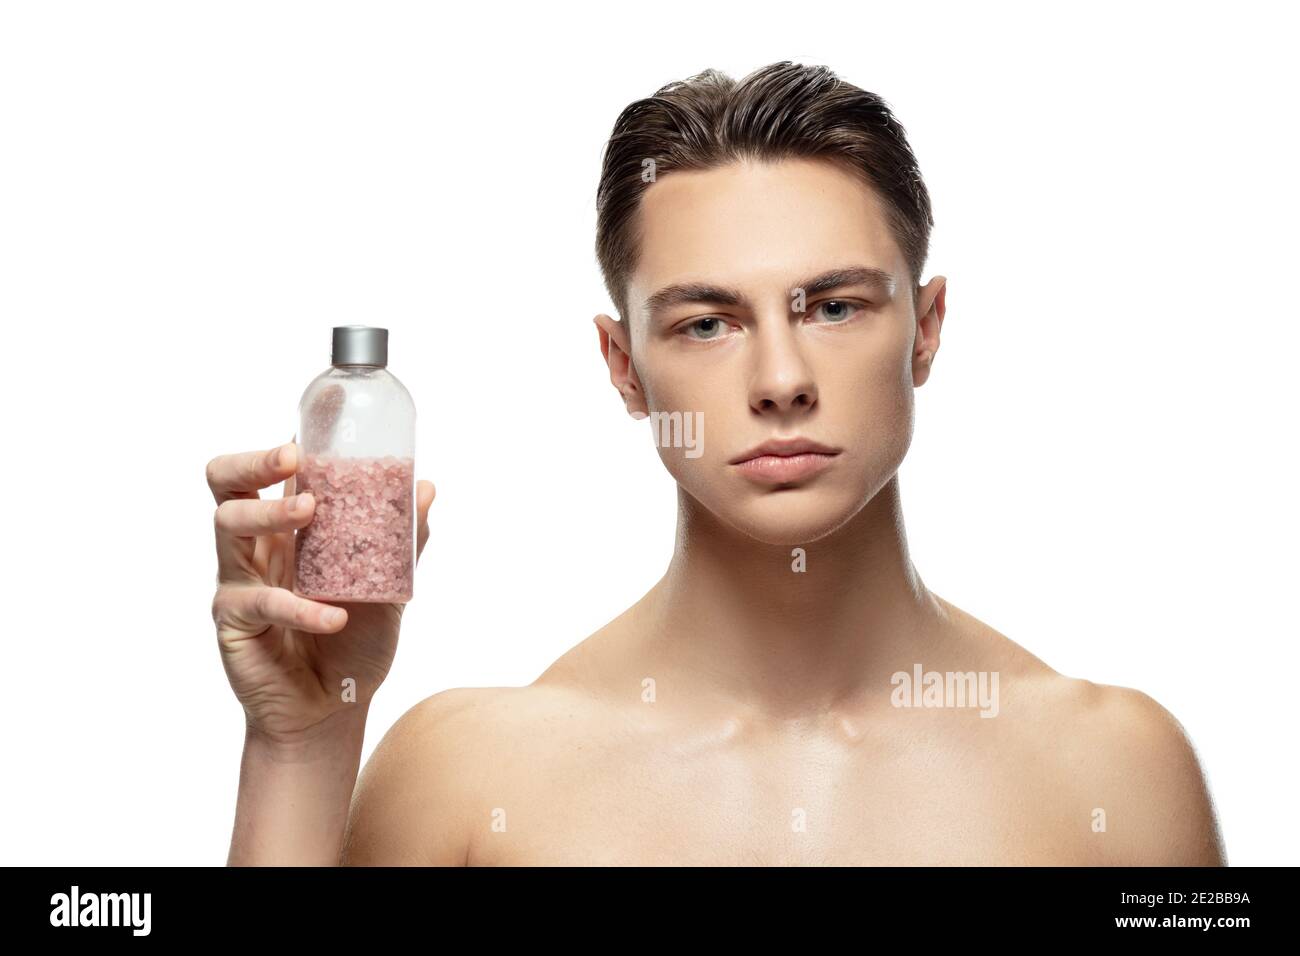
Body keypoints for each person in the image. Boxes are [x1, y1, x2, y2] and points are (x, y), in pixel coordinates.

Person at [208, 61, 1226, 866]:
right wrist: (301, 745)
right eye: (707, 322)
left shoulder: (1116, 770)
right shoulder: (468, 773)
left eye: (834, 306)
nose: (780, 377)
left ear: (926, 327)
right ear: (624, 367)